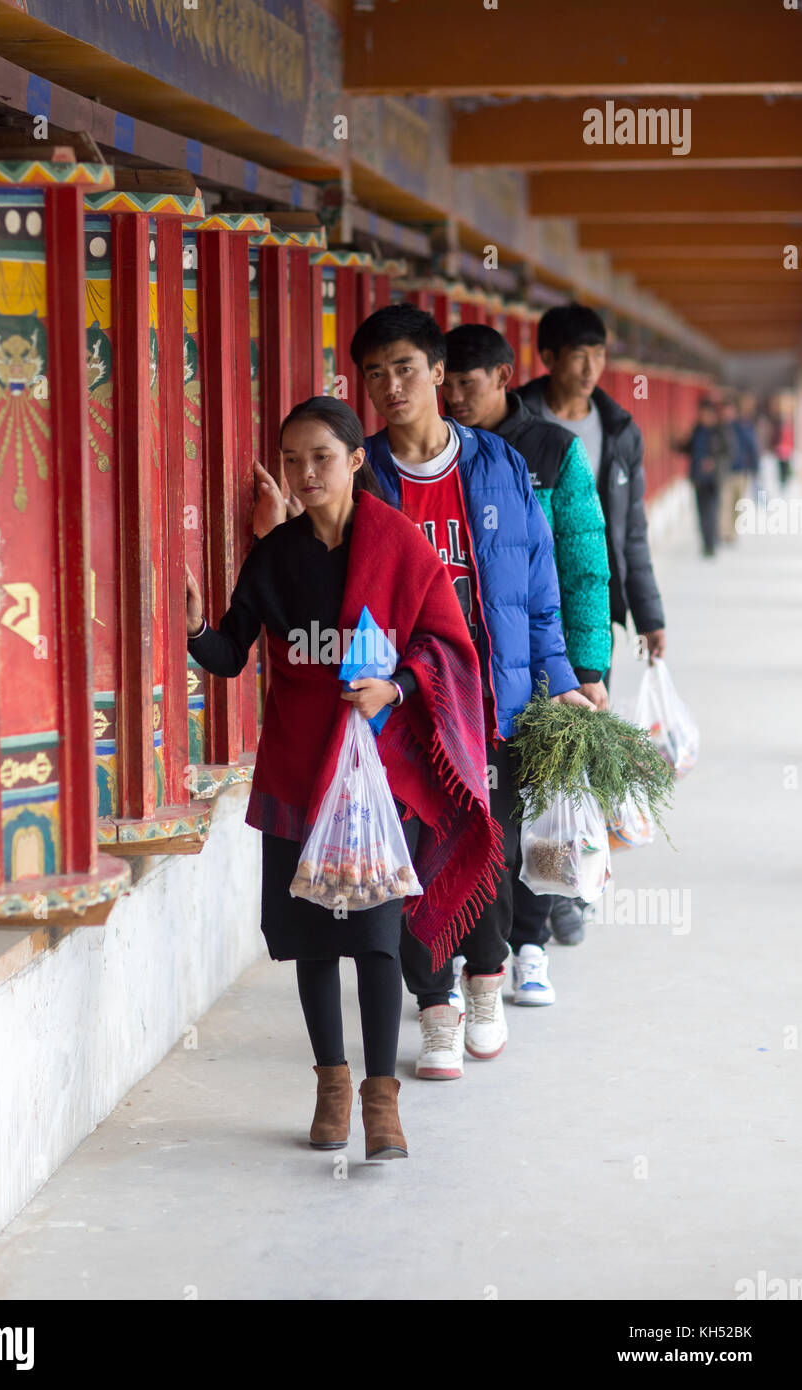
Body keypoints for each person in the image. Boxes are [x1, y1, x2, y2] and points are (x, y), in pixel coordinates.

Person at [186, 396, 502, 1157]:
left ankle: (379, 1103)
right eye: (291, 460)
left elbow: (448, 647)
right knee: (310, 936)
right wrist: (196, 629)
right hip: (298, 762)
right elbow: (233, 653)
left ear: (358, 460)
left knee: (373, 935)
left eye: (320, 457)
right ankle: (331, 1086)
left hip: (372, 773)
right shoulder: (275, 555)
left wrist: (392, 688)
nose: (304, 473)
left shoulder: (398, 544)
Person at [347, 304, 594, 1081]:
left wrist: (562, 681)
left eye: (405, 369)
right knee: (415, 857)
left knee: (489, 844)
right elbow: (343, 592)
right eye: (375, 373)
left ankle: (484, 981)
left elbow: (537, 587)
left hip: (492, 699)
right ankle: (435, 1008)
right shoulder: (365, 475)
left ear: (437, 375)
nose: (391, 386)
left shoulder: (495, 464)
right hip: (401, 704)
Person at [442, 322, 613, 948]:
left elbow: (585, 562)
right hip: (465, 663)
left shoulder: (553, 450)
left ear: (503, 378)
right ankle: (480, 945)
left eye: (467, 383)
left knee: (539, 799)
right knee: (482, 808)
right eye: (447, 382)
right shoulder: (439, 452)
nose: (455, 396)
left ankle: (538, 930)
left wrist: (588, 667)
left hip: (546, 659)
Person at [517, 303, 666, 677]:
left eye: (599, 356)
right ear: (549, 357)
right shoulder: (514, 424)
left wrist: (649, 615)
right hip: (527, 600)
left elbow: (632, 530)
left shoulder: (621, 433)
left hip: (594, 604)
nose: (591, 369)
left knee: (590, 715)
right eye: (579, 356)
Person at [682, 398, 734, 557]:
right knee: (701, 511)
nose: (704, 417)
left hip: (714, 478)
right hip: (699, 477)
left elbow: (729, 453)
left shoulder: (720, 431)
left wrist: (714, 463)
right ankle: (706, 542)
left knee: (712, 510)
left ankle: (712, 542)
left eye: (706, 414)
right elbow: (688, 449)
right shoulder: (697, 430)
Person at [719, 395, 755, 545]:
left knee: (737, 503)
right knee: (725, 503)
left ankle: (733, 531)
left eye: (730, 411)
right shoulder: (719, 428)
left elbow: (751, 446)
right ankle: (725, 532)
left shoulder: (741, 427)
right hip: (725, 472)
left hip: (741, 471)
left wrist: (755, 466)